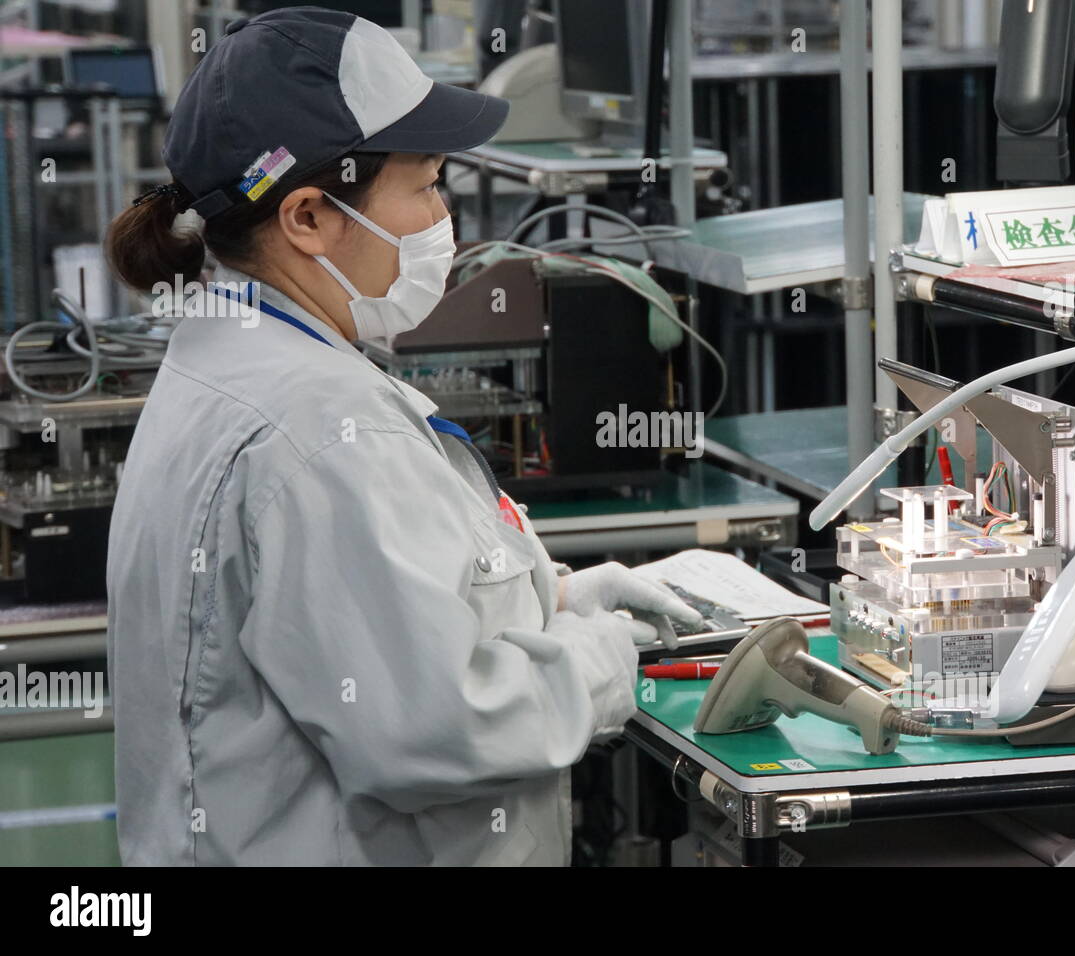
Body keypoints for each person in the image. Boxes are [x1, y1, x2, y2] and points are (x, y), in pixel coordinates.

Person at [104, 6, 701, 866]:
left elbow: (360, 623)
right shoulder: (318, 432)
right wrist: (600, 657)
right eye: (424, 186)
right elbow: (443, 728)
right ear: (308, 217)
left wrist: (554, 598)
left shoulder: (237, 357)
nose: (441, 215)